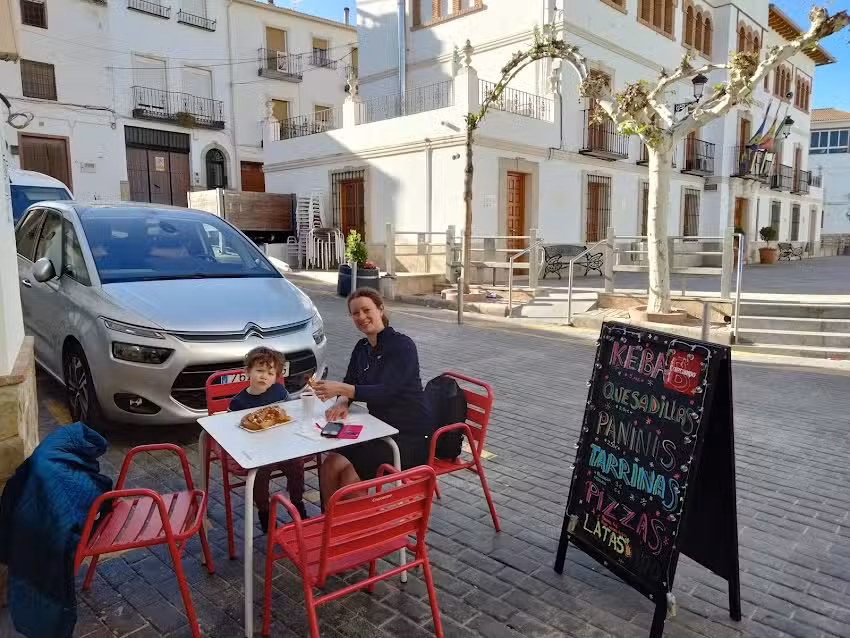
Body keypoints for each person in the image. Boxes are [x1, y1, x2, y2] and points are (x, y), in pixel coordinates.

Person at [313, 288, 431, 506]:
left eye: (367, 310)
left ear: (381, 309)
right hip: (378, 429)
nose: (361, 317)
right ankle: (328, 526)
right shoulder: (362, 347)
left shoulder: (403, 346)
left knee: (350, 477)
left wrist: (344, 390)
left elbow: (387, 391)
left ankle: (357, 533)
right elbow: (351, 380)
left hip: (408, 436)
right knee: (330, 464)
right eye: (355, 313)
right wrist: (341, 401)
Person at [229, 346, 307, 530]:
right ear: (248, 371)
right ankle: (264, 511)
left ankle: (297, 501)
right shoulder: (238, 402)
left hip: (281, 448)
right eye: (259, 371)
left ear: (277, 376)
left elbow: (291, 415)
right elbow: (232, 432)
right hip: (257, 452)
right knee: (258, 475)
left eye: (270, 373)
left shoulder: (280, 392)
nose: (264, 376)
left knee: (297, 464)